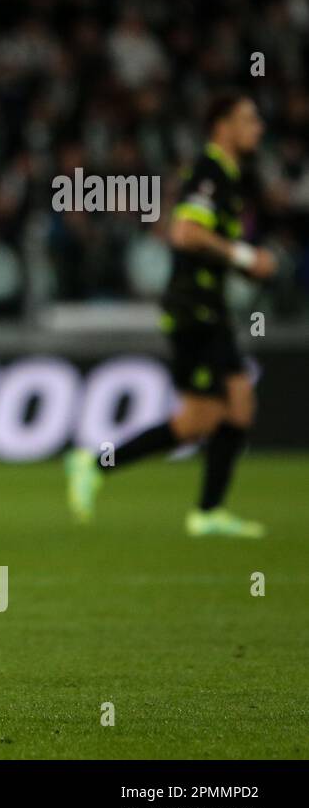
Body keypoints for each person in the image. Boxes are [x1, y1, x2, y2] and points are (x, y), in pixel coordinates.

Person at [65, 92, 277, 538]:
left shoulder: (231, 175)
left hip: (207, 307)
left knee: (214, 414)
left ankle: (195, 505)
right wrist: (244, 255)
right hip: (193, 310)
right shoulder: (210, 172)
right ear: (222, 126)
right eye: (247, 120)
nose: (257, 128)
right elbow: (185, 233)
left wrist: (247, 266)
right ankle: (197, 506)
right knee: (220, 410)